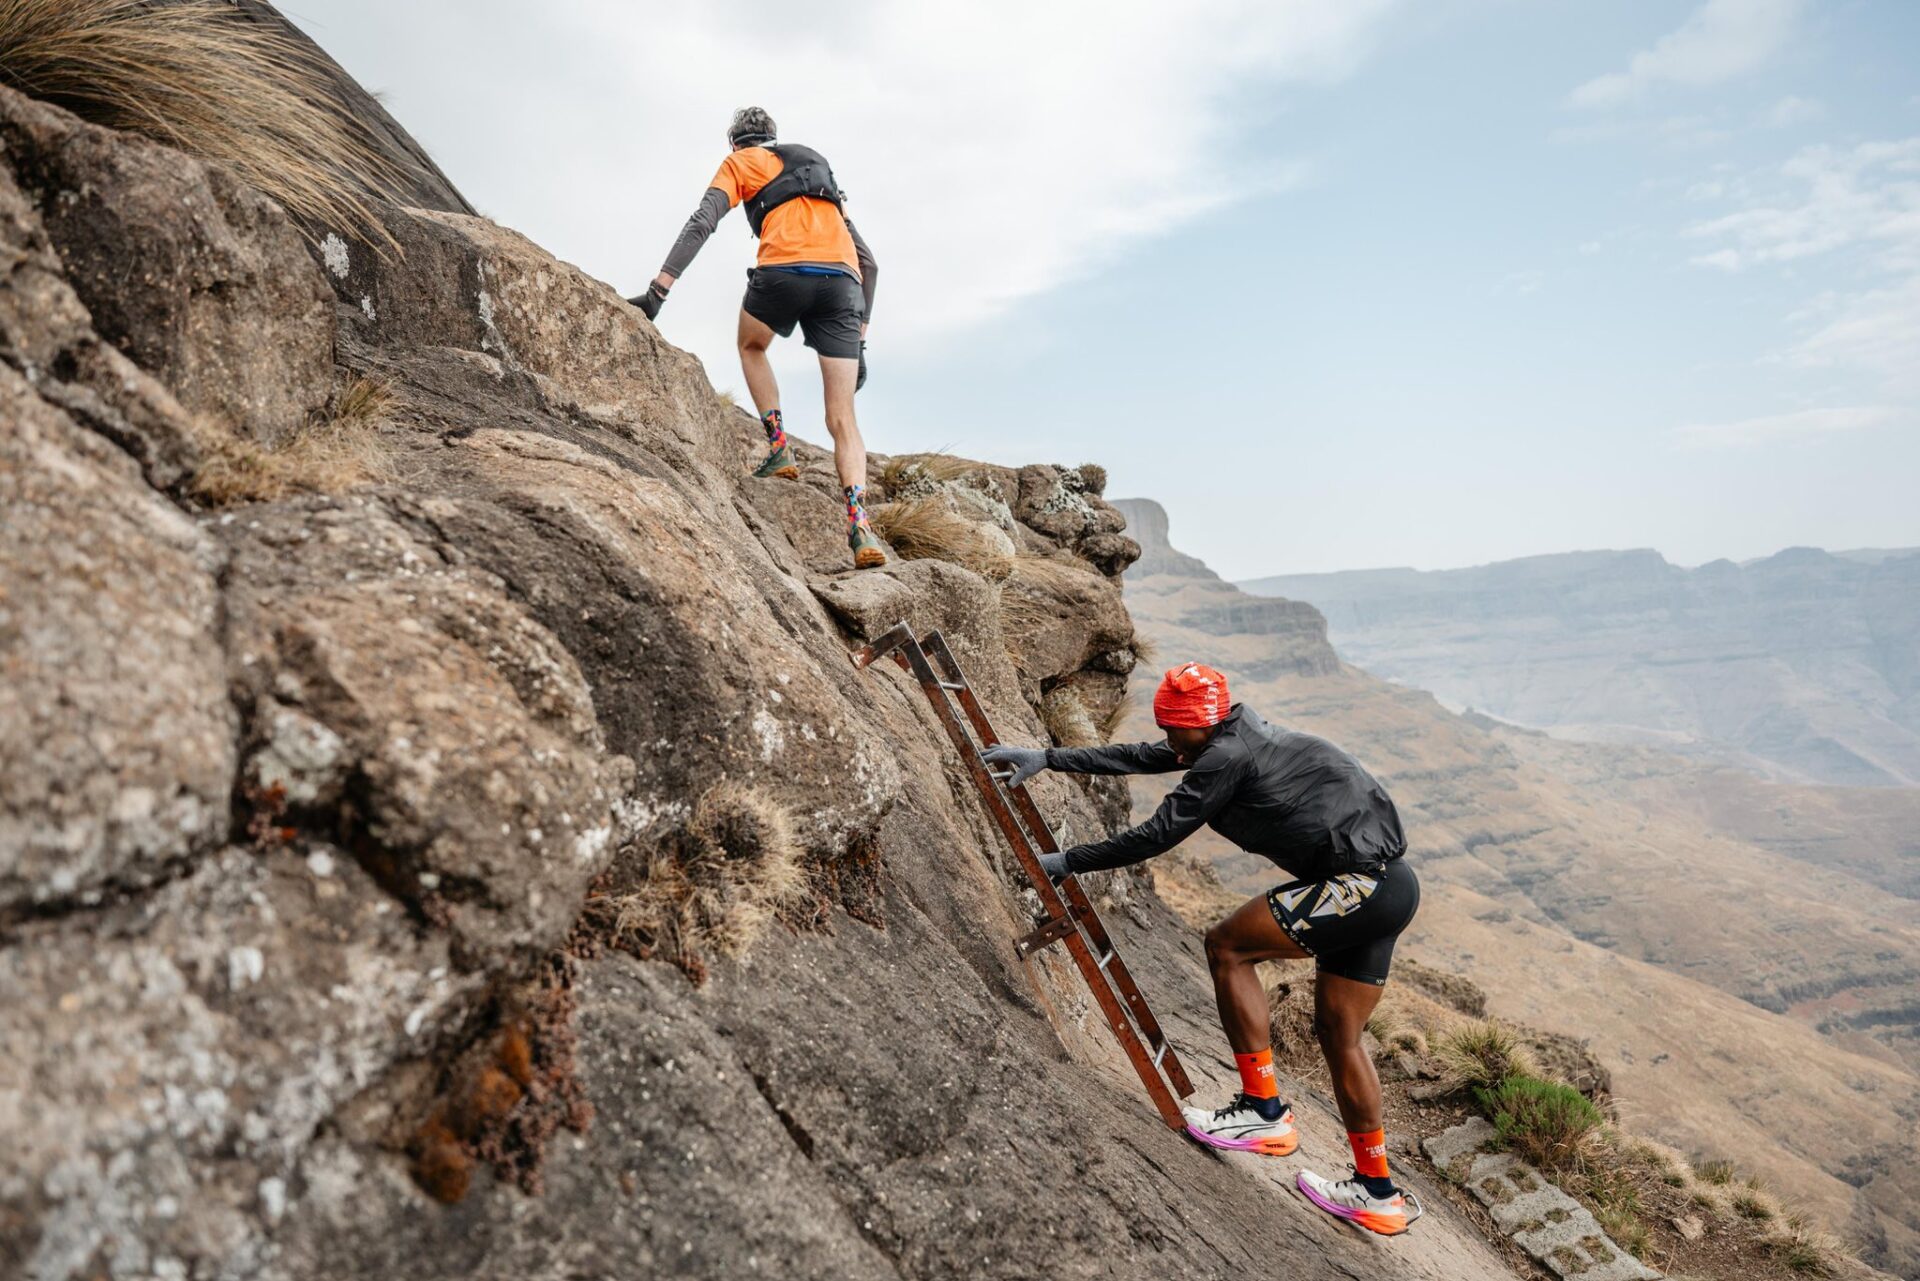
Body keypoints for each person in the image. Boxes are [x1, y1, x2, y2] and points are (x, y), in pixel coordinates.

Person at [983, 663, 1423, 1236]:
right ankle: (1377, 1191)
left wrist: (1068, 862)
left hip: (1358, 886)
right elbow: (1144, 756)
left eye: (1174, 730)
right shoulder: (1232, 736)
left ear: (1200, 725)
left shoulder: (1225, 757)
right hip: (1392, 886)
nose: (1168, 741)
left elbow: (1156, 835)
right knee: (1341, 1037)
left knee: (1228, 946)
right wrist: (1048, 757)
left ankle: (1263, 1112)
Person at [630, 106, 885, 569]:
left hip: (784, 271)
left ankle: (778, 446)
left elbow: (701, 222)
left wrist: (657, 293)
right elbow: (869, 263)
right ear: (772, 136)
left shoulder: (739, 164)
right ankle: (861, 526)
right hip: (843, 285)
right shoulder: (815, 163)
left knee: (751, 345)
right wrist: (860, 342)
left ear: (735, 143)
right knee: (843, 416)